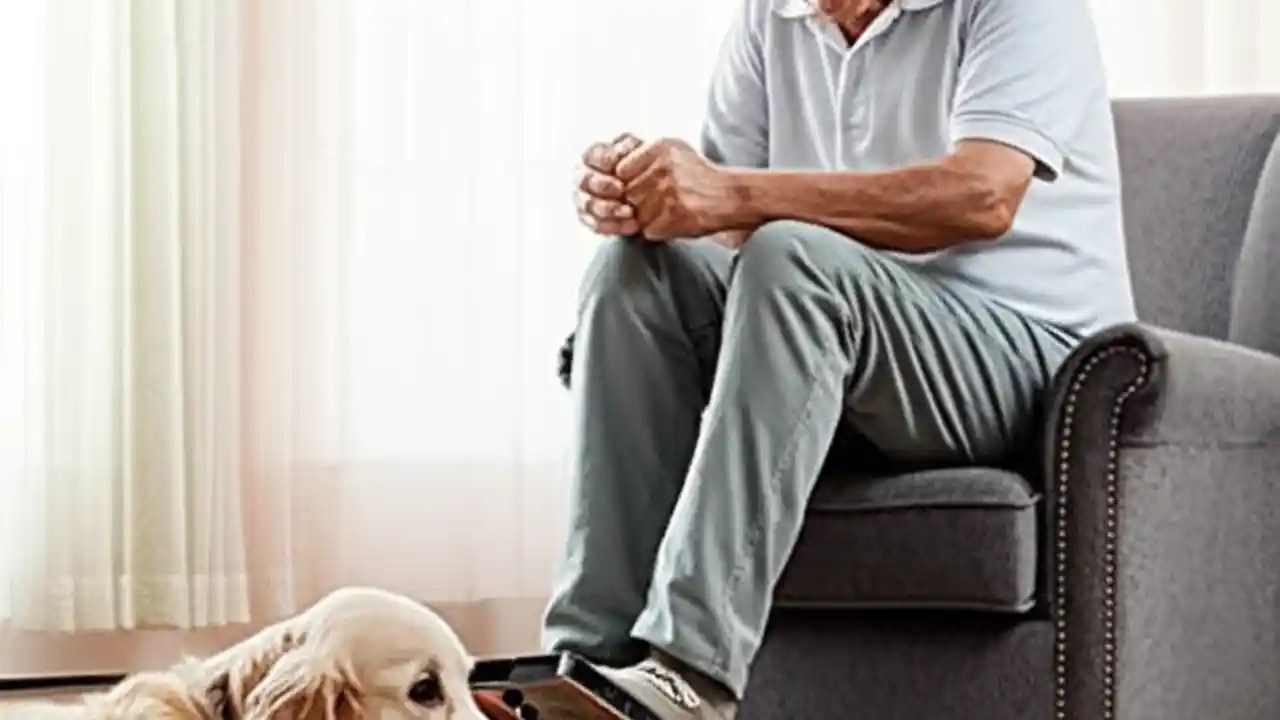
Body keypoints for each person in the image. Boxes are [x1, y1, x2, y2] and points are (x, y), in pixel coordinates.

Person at [542, 0, 1135, 718]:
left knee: (794, 255)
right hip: (845, 345)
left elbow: (981, 195)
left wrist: (729, 193)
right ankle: (586, 670)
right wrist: (647, 203)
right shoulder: (773, 17)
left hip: (1029, 360)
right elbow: (723, 222)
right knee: (635, 272)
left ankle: (686, 676)